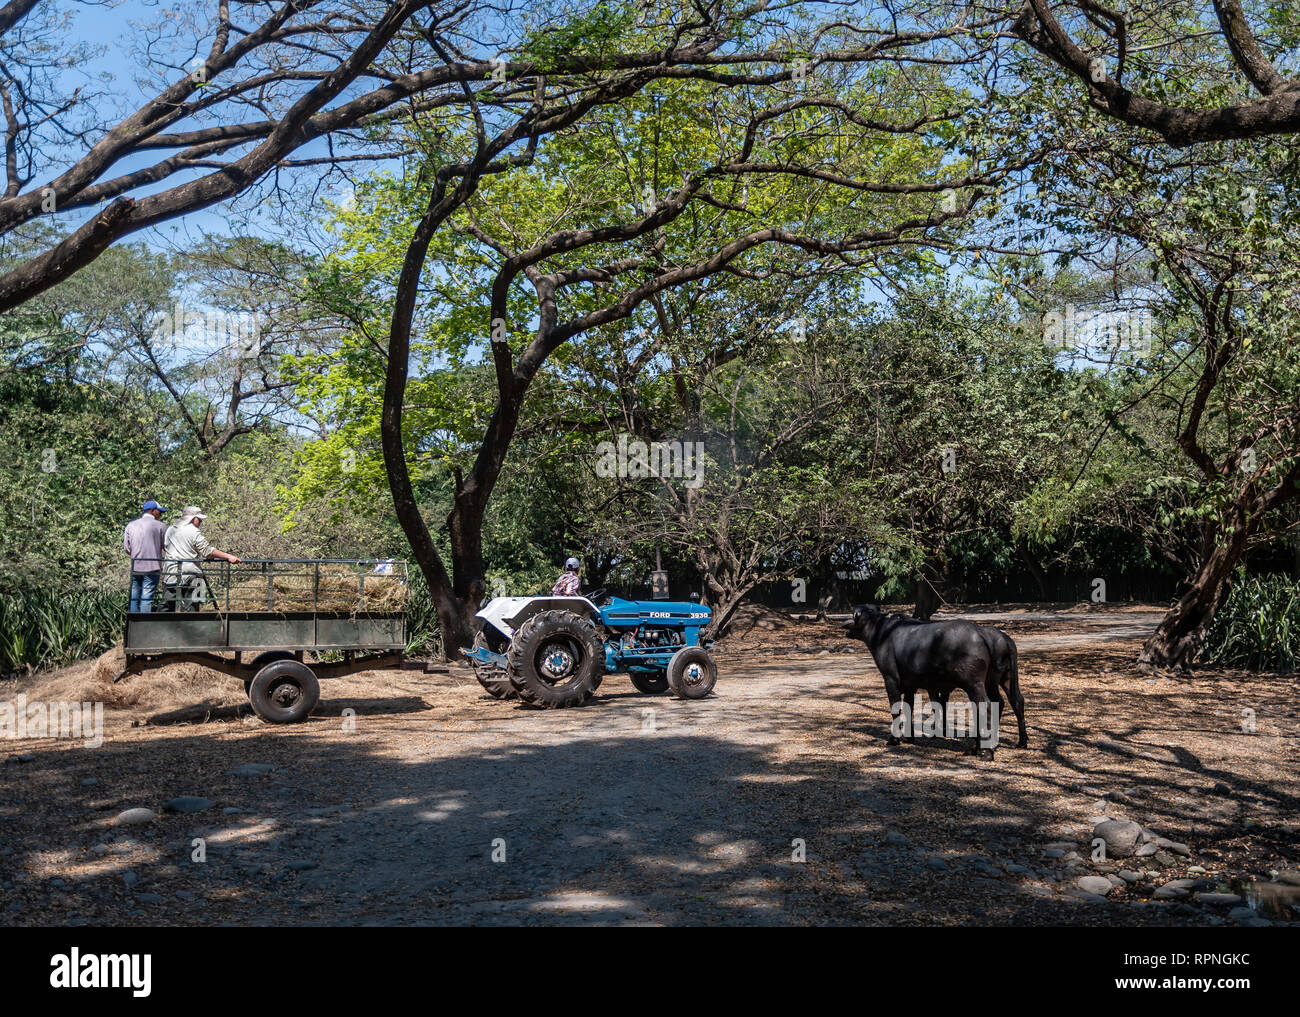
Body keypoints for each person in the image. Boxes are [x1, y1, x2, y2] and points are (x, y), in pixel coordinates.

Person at [163, 506, 242, 610]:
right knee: (193, 605)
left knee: (167, 605)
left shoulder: (170, 529)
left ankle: (157, 622)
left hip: (171, 572)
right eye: (200, 519)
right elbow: (207, 551)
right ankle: (193, 623)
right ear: (194, 518)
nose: (200, 522)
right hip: (192, 573)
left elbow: (166, 547)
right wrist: (229, 556)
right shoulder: (193, 531)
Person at [123, 499, 167, 612]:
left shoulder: (130, 525)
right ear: (152, 511)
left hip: (135, 566)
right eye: (159, 512)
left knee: (134, 597)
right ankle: (143, 625)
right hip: (152, 567)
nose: (160, 514)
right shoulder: (161, 526)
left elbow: (127, 548)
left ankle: (133, 623)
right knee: (147, 598)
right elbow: (166, 546)